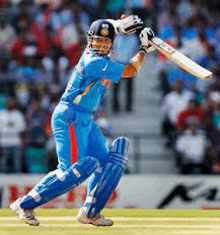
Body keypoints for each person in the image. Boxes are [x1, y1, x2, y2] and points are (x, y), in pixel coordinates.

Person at [10, 15, 154, 227]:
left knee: (106, 165)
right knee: (69, 171)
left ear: (111, 42)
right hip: (70, 115)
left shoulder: (101, 58)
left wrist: (120, 25)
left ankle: (90, 212)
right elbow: (131, 70)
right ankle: (25, 204)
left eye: (106, 41)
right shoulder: (94, 62)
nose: (101, 44)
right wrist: (143, 48)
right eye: (97, 41)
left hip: (84, 116)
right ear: (89, 41)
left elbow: (107, 26)